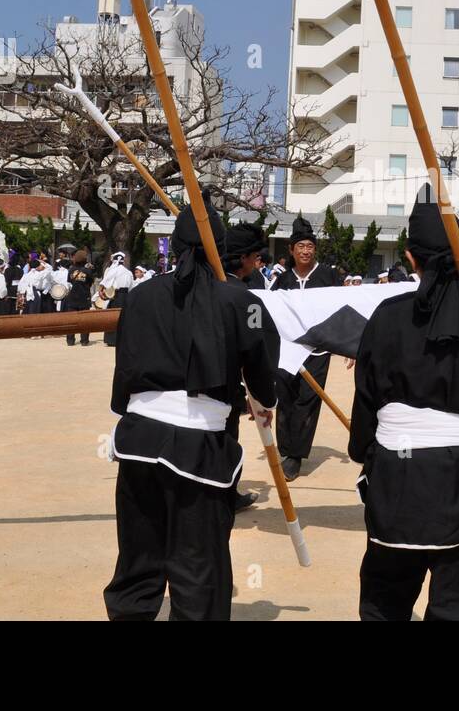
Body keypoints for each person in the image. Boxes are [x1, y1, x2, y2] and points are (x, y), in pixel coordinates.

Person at [350, 185, 459, 621]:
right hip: (457, 475)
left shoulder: (386, 316)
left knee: (384, 599)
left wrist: (365, 454)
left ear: (410, 257)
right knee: (458, 604)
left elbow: (366, 399)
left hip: (394, 474)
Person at [103, 202, 280, 621]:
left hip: (139, 440)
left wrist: (125, 412)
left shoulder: (142, 296)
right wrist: (263, 401)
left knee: (139, 553)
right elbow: (261, 359)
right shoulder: (241, 300)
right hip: (199, 445)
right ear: (219, 249)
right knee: (197, 562)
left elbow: (125, 366)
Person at [269, 216, 339, 481]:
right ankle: (286, 449)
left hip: (317, 350)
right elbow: (273, 312)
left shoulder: (328, 275)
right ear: (291, 250)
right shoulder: (283, 280)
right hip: (287, 351)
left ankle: (296, 456)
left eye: (310, 246)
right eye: (301, 246)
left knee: (307, 401)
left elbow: (340, 310)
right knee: (285, 399)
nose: (306, 251)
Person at [222, 221, 268, 511]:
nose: (256, 262)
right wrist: (260, 398)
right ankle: (224, 496)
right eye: (254, 257)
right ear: (242, 259)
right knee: (226, 444)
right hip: (223, 389)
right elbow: (252, 353)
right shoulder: (246, 300)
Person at [100, 251, 135, 347]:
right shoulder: (128, 272)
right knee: (123, 317)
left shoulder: (113, 270)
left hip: (116, 296)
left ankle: (112, 339)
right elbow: (132, 286)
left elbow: (105, 282)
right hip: (126, 296)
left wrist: (101, 290)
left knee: (113, 317)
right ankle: (123, 339)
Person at [64, 248, 96, 346]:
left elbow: (69, 282)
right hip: (84, 297)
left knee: (71, 320)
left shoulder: (71, 270)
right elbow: (90, 282)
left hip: (72, 297)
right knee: (84, 319)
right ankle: (84, 340)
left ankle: (70, 340)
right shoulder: (88, 271)